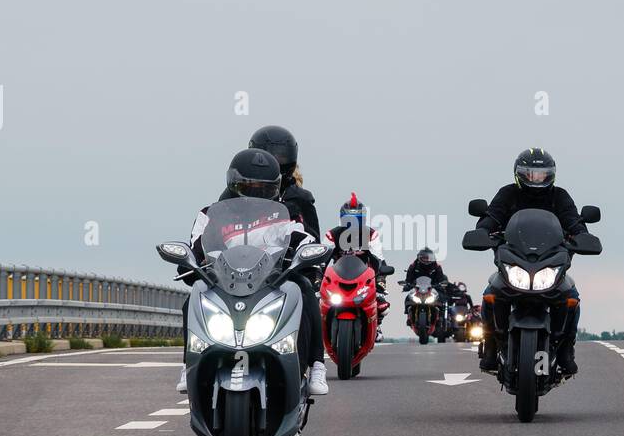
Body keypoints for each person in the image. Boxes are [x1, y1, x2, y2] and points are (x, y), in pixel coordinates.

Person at [179, 148, 328, 396]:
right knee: (195, 293)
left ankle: (316, 365)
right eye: (249, 185)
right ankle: (187, 363)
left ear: (276, 187)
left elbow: (303, 239)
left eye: (264, 187)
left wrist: (307, 255)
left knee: (303, 290)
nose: (256, 192)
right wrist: (190, 261)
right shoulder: (210, 214)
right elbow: (196, 245)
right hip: (224, 283)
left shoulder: (286, 214)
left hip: (271, 282)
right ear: (233, 183)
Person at [475, 148, 587, 375]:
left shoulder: (559, 196)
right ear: (519, 174)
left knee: (571, 298)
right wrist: (482, 231)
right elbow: (492, 217)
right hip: (514, 261)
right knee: (490, 294)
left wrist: (583, 236)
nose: (536, 178)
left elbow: (574, 222)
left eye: (542, 174)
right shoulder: (508, 194)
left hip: (551, 263)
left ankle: (565, 348)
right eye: (531, 173)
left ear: (551, 174)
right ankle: (491, 344)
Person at [214, 125, 320, 241]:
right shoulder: (234, 193)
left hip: (279, 257)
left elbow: (311, 243)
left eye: (282, 156)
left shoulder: (300, 199)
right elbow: (214, 230)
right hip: (236, 255)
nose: (275, 161)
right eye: (269, 156)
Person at [325, 193, 391, 337]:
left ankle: (376, 325)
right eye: (350, 218)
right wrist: (317, 275)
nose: (353, 221)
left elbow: (378, 258)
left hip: (364, 278)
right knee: (318, 301)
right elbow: (322, 257)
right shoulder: (332, 234)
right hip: (338, 278)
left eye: (356, 218)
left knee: (382, 304)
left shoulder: (371, 235)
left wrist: (381, 278)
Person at [401, 248, 450, 323]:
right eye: (424, 257)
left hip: (432, 287)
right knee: (409, 297)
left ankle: (441, 316)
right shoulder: (413, 265)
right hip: (418, 287)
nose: (427, 259)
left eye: (428, 258)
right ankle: (408, 314)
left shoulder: (437, 266)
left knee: (441, 298)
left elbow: (440, 278)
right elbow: (409, 278)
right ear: (419, 257)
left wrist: (441, 285)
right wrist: (407, 284)